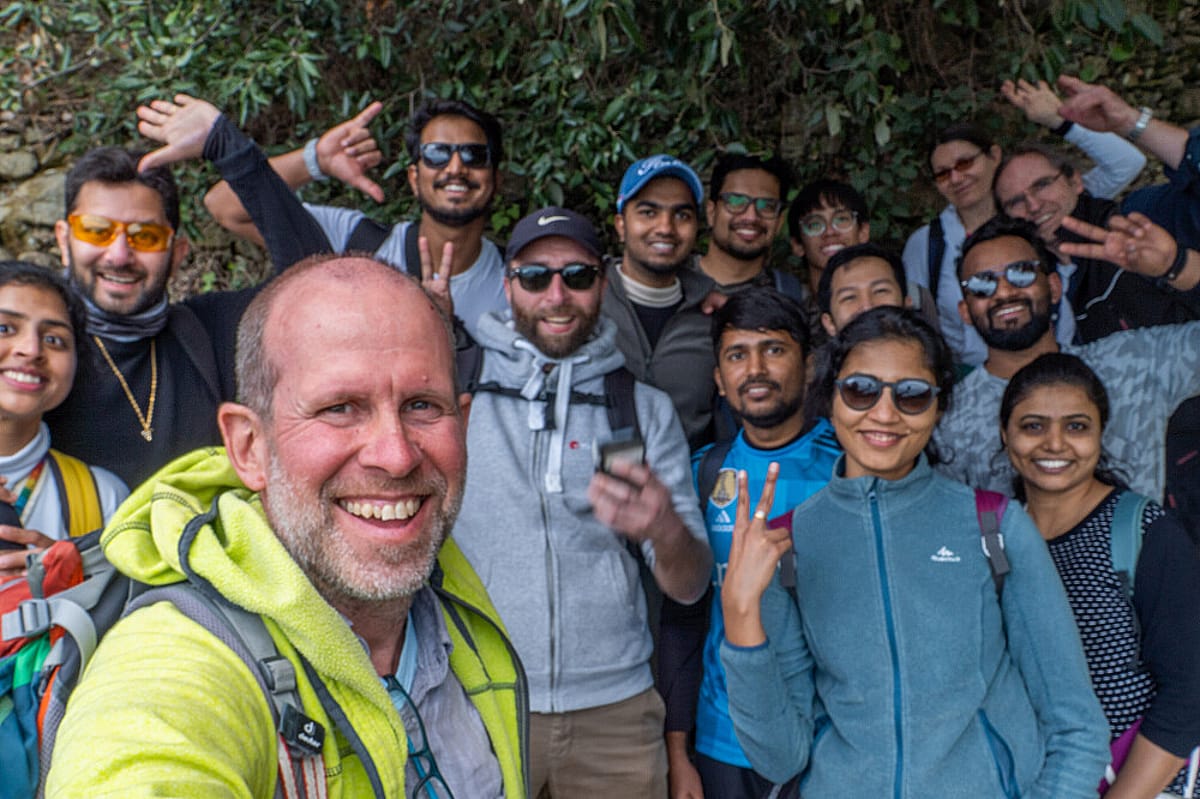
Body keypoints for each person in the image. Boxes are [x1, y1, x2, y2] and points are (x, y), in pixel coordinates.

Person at [45, 255, 527, 797]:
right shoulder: (177, 657)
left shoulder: (451, 595)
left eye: (421, 405)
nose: (396, 457)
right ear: (249, 447)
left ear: (463, 424)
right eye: (340, 407)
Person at [719, 305, 1109, 798]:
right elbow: (781, 757)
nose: (884, 414)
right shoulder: (785, 544)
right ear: (832, 396)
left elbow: (1077, 726)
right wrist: (740, 616)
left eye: (912, 395)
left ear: (940, 405)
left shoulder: (994, 526)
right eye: (861, 390)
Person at [450, 207, 711, 798]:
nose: (557, 295)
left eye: (578, 276)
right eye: (536, 277)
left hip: (614, 713)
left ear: (604, 280)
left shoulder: (636, 410)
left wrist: (666, 529)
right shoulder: (456, 390)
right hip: (477, 701)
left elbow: (690, 587)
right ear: (507, 282)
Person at [999, 353, 1200, 799]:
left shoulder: (1141, 531)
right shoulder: (995, 539)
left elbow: (1189, 692)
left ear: (1100, 434)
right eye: (1033, 426)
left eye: (1076, 426)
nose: (1055, 444)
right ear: (1005, 434)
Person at [667, 288, 839, 799]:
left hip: (828, 737)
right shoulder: (703, 474)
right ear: (719, 380)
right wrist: (679, 752)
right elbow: (682, 619)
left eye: (774, 349)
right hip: (722, 740)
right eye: (737, 355)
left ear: (808, 367)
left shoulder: (846, 466)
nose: (756, 368)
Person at [933, 215, 1200, 502]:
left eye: (1021, 272)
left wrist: (1178, 265)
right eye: (982, 284)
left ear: (1055, 287)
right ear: (964, 311)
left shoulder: (1132, 361)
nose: (1005, 291)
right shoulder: (948, 422)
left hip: (1151, 545)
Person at [204, 97, 508, 338]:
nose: (455, 168)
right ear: (414, 178)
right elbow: (226, 207)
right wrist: (316, 161)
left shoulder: (526, 283)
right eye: (437, 154)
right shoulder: (352, 244)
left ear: (495, 179)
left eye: (473, 155)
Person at [903, 78, 1146, 366]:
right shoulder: (927, 245)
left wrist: (1059, 121)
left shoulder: (1037, 214)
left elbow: (1127, 163)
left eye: (965, 163)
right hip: (976, 378)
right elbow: (918, 326)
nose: (956, 178)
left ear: (994, 155)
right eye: (943, 174)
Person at [0, 261, 127, 577]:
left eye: (54, 339)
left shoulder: (101, 498)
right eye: (5, 328)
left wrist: (77, 581)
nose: (31, 350)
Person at [604, 153, 722, 450]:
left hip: (688, 488)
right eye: (648, 212)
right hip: (592, 489)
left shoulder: (715, 317)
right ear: (621, 224)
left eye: (682, 215)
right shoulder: (583, 301)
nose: (666, 227)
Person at [697, 153, 799, 297]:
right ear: (711, 212)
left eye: (766, 206)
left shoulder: (791, 296)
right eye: (736, 202)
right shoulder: (669, 281)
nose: (751, 217)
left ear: (779, 221)